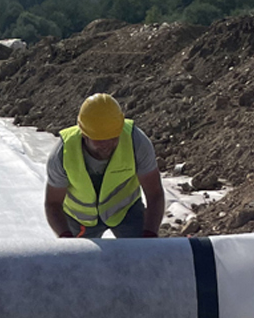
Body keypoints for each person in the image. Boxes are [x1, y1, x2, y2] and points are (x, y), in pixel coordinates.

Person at [43, 94, 164, 239]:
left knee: (139, 257)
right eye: (99, 140)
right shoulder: (63, 153)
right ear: (84, 134)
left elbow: (154, 194)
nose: (106, 145)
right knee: (81, 261)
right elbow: (53, 203)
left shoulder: (136, 142)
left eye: (113, 138)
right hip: (81, 220)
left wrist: (149, 236)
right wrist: (66, 239)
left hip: (125, 211)